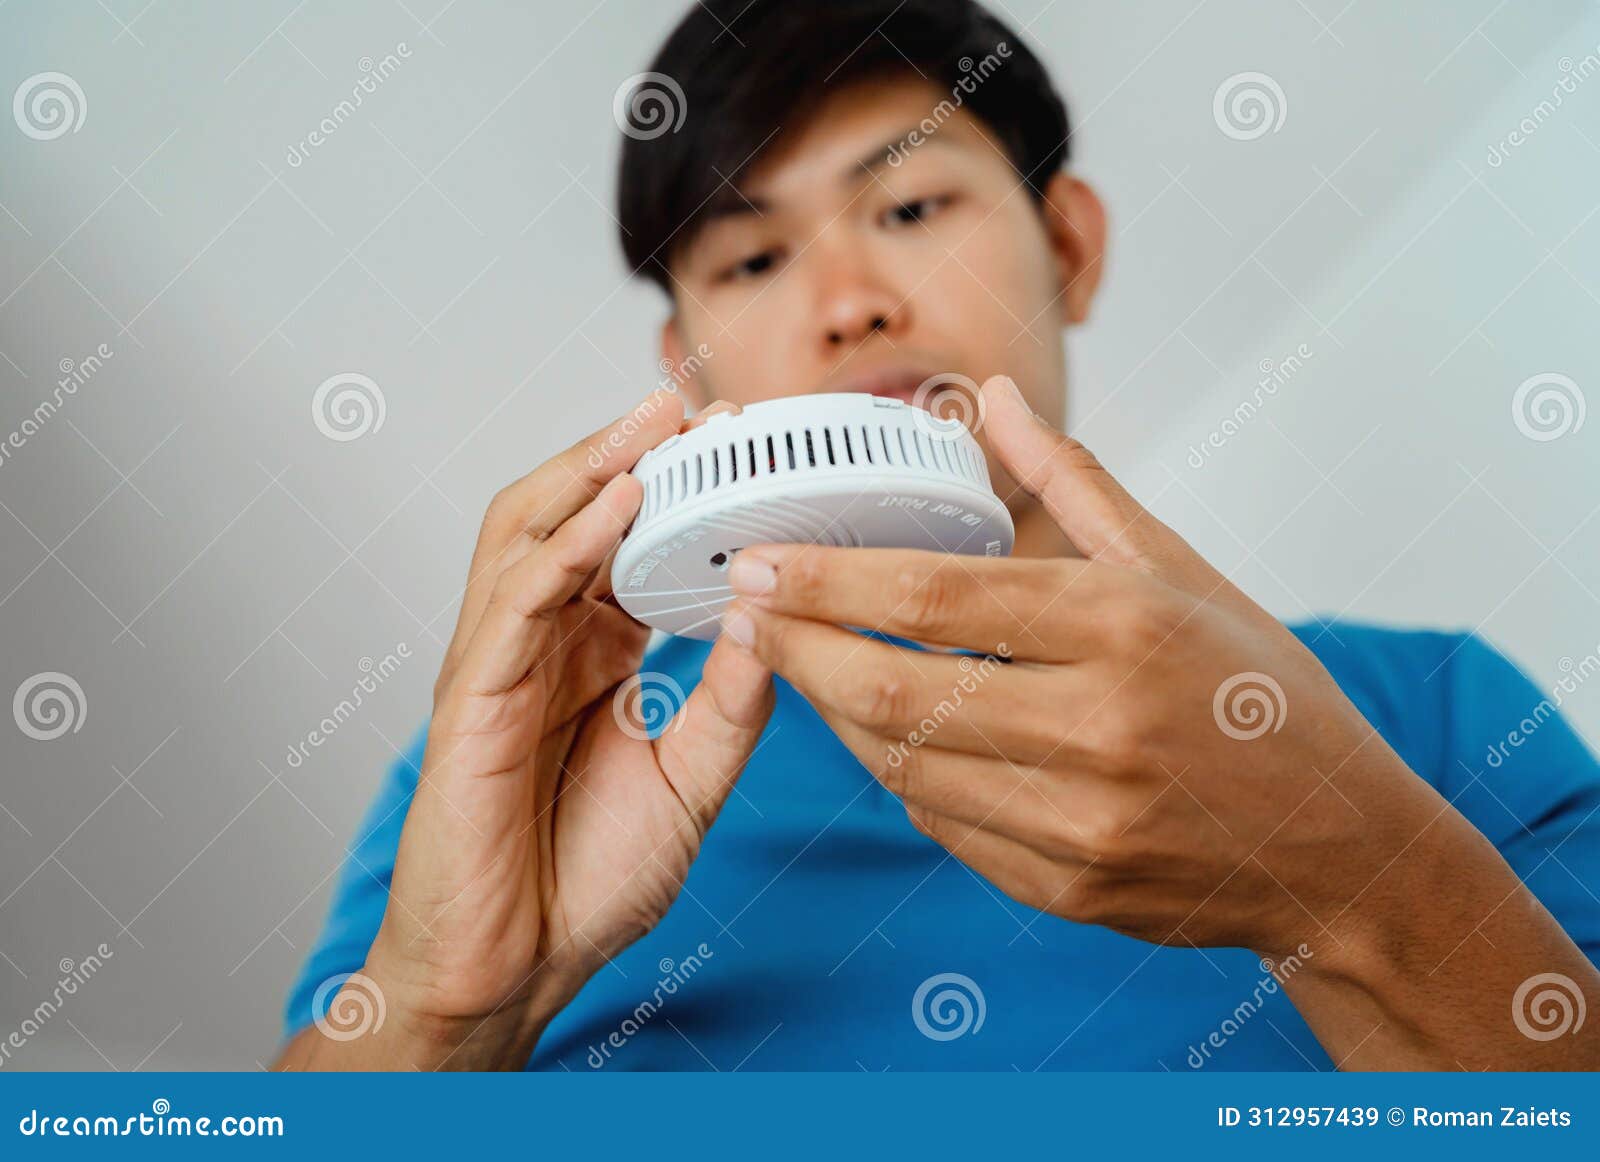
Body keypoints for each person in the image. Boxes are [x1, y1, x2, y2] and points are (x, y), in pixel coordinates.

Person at [275, 0, 1600, 1070]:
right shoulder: (535, 770)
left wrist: (1356, 882)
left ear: (1069, 245)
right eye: (750, 262)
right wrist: (443, 1015)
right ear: (689, 372)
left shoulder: (1431, 718)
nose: (849, 305)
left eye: (910, 210)